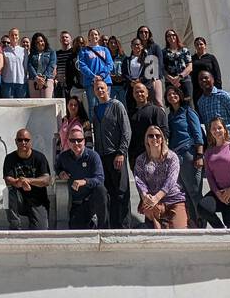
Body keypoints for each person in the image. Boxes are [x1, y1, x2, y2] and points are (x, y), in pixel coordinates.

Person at [90, 77, 131, 228]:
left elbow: (126, 130)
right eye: (97, 89)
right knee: (108, 193)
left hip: (116, 154)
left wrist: (121, 152)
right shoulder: (95, 109)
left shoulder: (117, 105)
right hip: (102, 156)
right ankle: (112, 225)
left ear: (107, 89)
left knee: (121, 192)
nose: (100, 91)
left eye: (102, 88)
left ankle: (124, 226)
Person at [198, 118, 230, 229]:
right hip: (220, 194)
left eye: (219, 128)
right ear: (210, 132)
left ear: (225, 130)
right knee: (203, 207)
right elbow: (210, 177)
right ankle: (220, 230)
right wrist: (218, 194)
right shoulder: (208, 152)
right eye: (213, 129)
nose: (217, 131)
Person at [165, 84, 204, 226]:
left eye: (174, 94)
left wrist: (199, 155)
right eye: (169, 95)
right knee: (185, 193)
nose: (172, 96)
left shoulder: (188, 111)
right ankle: (193, 221)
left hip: (189, 154)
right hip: (176, 157)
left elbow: (197, 133)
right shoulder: (170, 116)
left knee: (195, 191)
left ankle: (202, 221)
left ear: (179, 95)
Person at [134, 126, 187, 229]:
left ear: (162, 139)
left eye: (157, 136)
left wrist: (157, 197)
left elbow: (171, 181)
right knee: (156, 233)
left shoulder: (172, 157)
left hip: (174, 199)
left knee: (180, 232)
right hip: (152, 201)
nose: (154, 138)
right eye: (151, 136)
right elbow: (139, 179)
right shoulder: (141, 159)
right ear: (147, 139)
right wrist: (144, 195)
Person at [55, 127, 108, 229]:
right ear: (68, 142)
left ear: (84, 141)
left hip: (92, 199)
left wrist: (85, 181)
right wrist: (61, 173)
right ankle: (91, 223)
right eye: (72, 141)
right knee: (75, 229)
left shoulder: (93, 156)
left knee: (101, 190)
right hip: (78, 202)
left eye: (79, 140)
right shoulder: (63, 157)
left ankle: (104, 228)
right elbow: (57, 167)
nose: (76, 143)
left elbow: (100, 178)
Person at [3, 127, 51, 230]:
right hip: (19, 200)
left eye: (26, 140)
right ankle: (15, 227)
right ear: (16, 142)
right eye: (20, 140)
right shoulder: (10, 158)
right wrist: (19, 182)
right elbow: (8, 179)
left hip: (38, 200)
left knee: (40, 230)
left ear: (31, 141)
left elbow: (46, 180)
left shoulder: (39, 157)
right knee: (7, 192)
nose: (23, 142)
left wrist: (28, 181)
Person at [127, 79, 167, 178]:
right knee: (142, 189)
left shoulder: (156, 111)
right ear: (133, 94)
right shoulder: (129, 114)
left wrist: (160, 152)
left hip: (154, 155)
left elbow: (164, 133)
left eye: (142, 91)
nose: (139, 94)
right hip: (135, 156)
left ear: (147, 94)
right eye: (136, 92)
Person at [194, 69, 230, 144]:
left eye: (206, 78)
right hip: (213, 144)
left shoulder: (224, 96)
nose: (203, 80)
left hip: (229, 140)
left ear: (212, 79)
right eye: (201, 79)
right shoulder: (200, 102)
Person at [77, 28, 113, 117]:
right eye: (92, 35)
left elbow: (110, 64)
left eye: (96, 34)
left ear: (99, 36)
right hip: (90, 82)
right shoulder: (84, 50)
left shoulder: (105, 50)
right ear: (88, 37)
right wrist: (93, 76)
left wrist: (102, 75)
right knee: (93, 106)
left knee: (106, 104)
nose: (94, 36)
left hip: (105, 81)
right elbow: (82, 65)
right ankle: (95, 128)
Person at [136, 26, 165, 107]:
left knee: (158, 101)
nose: (144, 34)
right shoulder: (137, 48)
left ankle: (161, 119)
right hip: (142, 80)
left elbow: (159, 63)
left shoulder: (155, 47)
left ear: (149, 34)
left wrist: (155, 77)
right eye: (141, 32)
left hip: (154, 78)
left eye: (146, 32)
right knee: (146, 103)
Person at [162, 29, 192, 103]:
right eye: (168, 36)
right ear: (166, 38)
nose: (171, 37)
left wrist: (179, 77)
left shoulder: (184, 50)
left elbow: (190, 66)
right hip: (170, 82)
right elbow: (162, 68)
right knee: (174, 104)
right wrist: (171, 79)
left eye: (173, 35)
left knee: (187, 103)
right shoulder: (163, 52)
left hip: (184, 80)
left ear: (176, 36)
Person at [189, 36, 223, 101]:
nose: (199, 46)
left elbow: (217, 73)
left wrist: (218, 89)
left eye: (201, 44)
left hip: (210, 88)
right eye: (197, 45)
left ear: (205, 45)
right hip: (197, 90)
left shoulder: (211, 57)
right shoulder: (191, 59)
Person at [0, 27, 28, 99]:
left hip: (21, 82)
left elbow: (25, 67)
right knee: (8, 107)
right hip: (7, 82)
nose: (14, 36)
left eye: (16, 35)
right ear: (9, 37)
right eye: (12, 35)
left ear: (18, 37)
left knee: (21, 107)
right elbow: (2, 67)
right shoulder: (4, 50)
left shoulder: (24, 51)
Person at [28, 32, 56, 98]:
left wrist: (44, 77)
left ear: (45, 41)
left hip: (47, 79)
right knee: (35, 104)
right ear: (35, 44)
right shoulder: (32, 54)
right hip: (34, 80)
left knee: (47, 102)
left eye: (41, 41)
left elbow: (51, 65)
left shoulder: (51, 52)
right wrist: (36, 77)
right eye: (37, 42)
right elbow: (29, 65)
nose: (40, 43)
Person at [106, 36, 128, 104]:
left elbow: (127, 71)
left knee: (123, 107)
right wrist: (111, 77)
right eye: (111, 43)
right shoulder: (105, 57)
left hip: (122, 86)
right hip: (111, 87)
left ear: (118, 44)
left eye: (115, 43)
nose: (113, 45)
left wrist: (122, 77)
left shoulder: (123, 57)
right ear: (108, 44)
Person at [54, 30, 75, 99]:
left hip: (72, 84)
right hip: (59, 84)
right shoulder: (57, 54)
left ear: (70, 39)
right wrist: (55, 78)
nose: (64, 39)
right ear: (60, 40)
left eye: (66, 37)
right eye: (62, 37)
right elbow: (55, 67)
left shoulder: (74, 52)